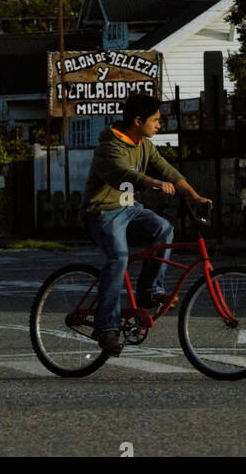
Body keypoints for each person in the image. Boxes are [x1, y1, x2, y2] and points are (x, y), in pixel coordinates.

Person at [79, 93, 211, 354]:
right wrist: (153, 183)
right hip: (102, 212)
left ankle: (149, 289)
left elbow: (167, 170)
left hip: (129, 209)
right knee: (119, 258)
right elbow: (123, 174)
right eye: (156, 120)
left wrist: (193, 196)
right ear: (138, 121)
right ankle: (105, 327)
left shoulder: (144, 145)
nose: (159, 125)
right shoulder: (110, 146)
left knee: (163, 228)